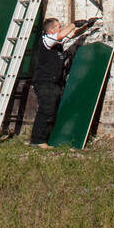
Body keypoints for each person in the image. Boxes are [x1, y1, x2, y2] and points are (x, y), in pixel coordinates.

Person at [29, 17, 81, 146]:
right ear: (51, 30)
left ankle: (47, 138)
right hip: (44, 81)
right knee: (46, 109)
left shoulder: (56, 43)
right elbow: (61, 35)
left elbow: (70, 35)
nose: (61, 28)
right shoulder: (46, 40)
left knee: (52, 110)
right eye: (58, 26)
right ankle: (37, 140)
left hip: (54, 81)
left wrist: (86, 26)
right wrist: (74, 24)